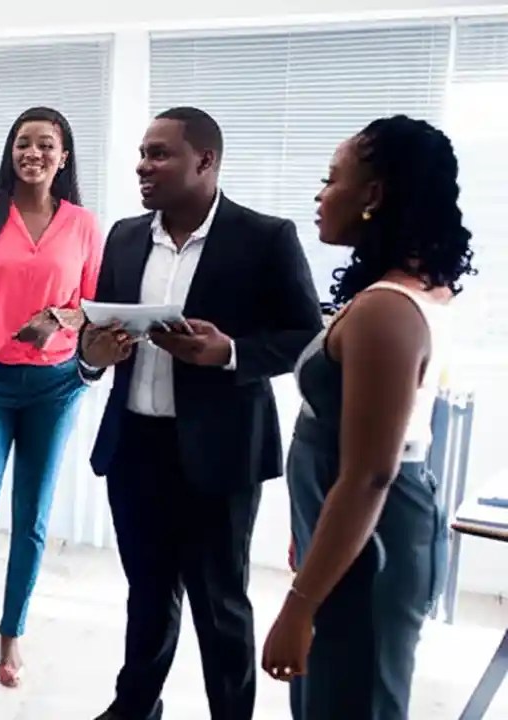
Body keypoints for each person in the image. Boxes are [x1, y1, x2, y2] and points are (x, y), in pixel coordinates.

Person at [79, 106, 324, 720]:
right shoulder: (127, 236)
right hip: (135, 445)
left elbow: (306, 337)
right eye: (142, 152)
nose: (143, 164)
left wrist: (230, 353)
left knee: (220, 604)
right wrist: (93, 353)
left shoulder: (266, 237)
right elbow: (97, 331)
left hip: (220, 453)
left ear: (205, 161)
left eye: (159, 153)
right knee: (148, 594)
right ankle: (134, 706)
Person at [262, 115, 473, 719]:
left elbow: (368, 475)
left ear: (373, 196)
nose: (320, 194)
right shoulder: (399, 292)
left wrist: (299, 606)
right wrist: (311, 533)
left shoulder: (386, 311)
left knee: (351, 704)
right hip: (359, 533)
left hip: (373, 544)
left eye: (332, 180)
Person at [0, 106, 104, 713]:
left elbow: (95, 305)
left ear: (64, 156)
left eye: (46, 144)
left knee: (32, 521)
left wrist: (58, 317)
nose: (33, 153)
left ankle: (11, 636)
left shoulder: (83, 223)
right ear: (11, 152)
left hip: (55, 387)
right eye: (23, 143)